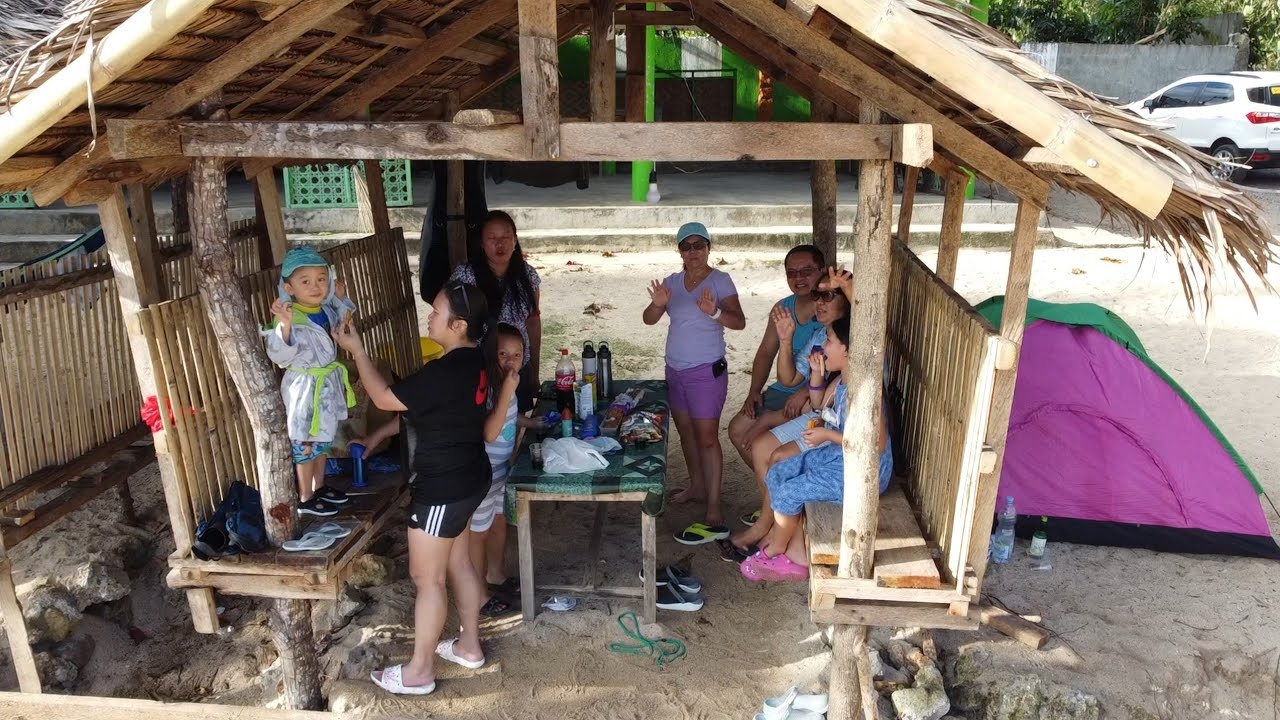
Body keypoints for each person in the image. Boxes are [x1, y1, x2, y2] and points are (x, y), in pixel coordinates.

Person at [334, 282, 497, 696]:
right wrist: (376, 440)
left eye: (437, 311)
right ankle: (469, 645)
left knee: (428, 580)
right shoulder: (473, 361)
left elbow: (387, 398)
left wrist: (357, 350)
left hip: (444, 487)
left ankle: (420, 670)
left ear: (458, 325)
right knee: (458, 563)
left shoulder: (446, 371)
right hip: (469, 476)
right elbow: (419, 413)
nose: (430, 316)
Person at [739, 312, 894, 583]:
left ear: (848, 350)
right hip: (842, 457)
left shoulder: (866, 391)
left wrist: (827, 435)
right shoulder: (844, 379)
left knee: (789, 489)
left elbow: (877, 445)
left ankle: (781, 551)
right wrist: (815, 374)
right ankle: (789, 545)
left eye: (830, 340)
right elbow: (820, 405)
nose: (824, 345)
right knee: (778, 473)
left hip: (864, 471)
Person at [724, 268, 851, 558]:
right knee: (759, 447)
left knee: (777, 456)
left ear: (846, 299)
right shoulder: (821, 334)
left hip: (835, 424)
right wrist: (785, 339)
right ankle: (771, 524)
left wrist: (808, 393)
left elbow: (820, 400)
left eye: (828, 295)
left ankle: (768, 531)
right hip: (823, 415)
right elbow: (789, 379)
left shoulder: (854, 330)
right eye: (817, 295)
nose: (819, 301)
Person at [642, 222, 746, 544]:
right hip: (675, 369)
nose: (693, 252)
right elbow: (648, 319)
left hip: (706, 372)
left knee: (708, 439)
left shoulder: (721, 280)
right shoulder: (671, 283)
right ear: (680, 251)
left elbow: (739, 321)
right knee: (685, 432)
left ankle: (714, 503)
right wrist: (659, 303)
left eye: (699, 245)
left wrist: (714, 313)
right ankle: (696, 486)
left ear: (709, 248)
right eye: (686, 246)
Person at [263, 246, 357, 517]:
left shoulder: (325, 309)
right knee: (305, 442)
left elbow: (342, 328)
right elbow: (279, 355)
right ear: (289, 287)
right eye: (306, 281)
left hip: (325, 385)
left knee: (322, 440)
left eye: (321, 279)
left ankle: (320, 486)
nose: (315, 286)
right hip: (305, 389)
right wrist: (286, 326)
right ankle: (305, 497)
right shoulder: (289, 316)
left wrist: (341, 300)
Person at [725, 245, 826, 474]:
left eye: (806, 271)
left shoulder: (829, 307)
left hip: (818, 394)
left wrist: (806, 392)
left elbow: (840, 367)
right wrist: (754, 391)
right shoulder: (782, 308)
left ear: (821, 270)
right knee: (738, 429)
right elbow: (765, 352)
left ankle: (781, 498)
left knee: (777, 444)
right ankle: (773, 493)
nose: (798, 278)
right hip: (786, 386)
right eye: (792, 273)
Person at [473, 323, 546, 617]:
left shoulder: (510, 386)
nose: (510, 360)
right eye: (503, 353)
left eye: (517, 354)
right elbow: (491, 431)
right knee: (477, 531)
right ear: (490, 354)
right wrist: (506, 391)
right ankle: (477, 591)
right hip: (482, 472)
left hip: (502, 469)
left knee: (499, 520)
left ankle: (496, 573)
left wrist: (532, 423)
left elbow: (510, 417)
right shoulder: (490, 387)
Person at [450, 210, 542, 412]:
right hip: (479, 371)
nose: (500, 244)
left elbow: (533, 322)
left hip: (516, 367)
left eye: (506, 237)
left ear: (515, 241)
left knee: (516, 427)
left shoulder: (528, 276)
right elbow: (452, 325)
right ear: (482, 244)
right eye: (492, 238)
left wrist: (534, 371)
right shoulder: (465, 277)